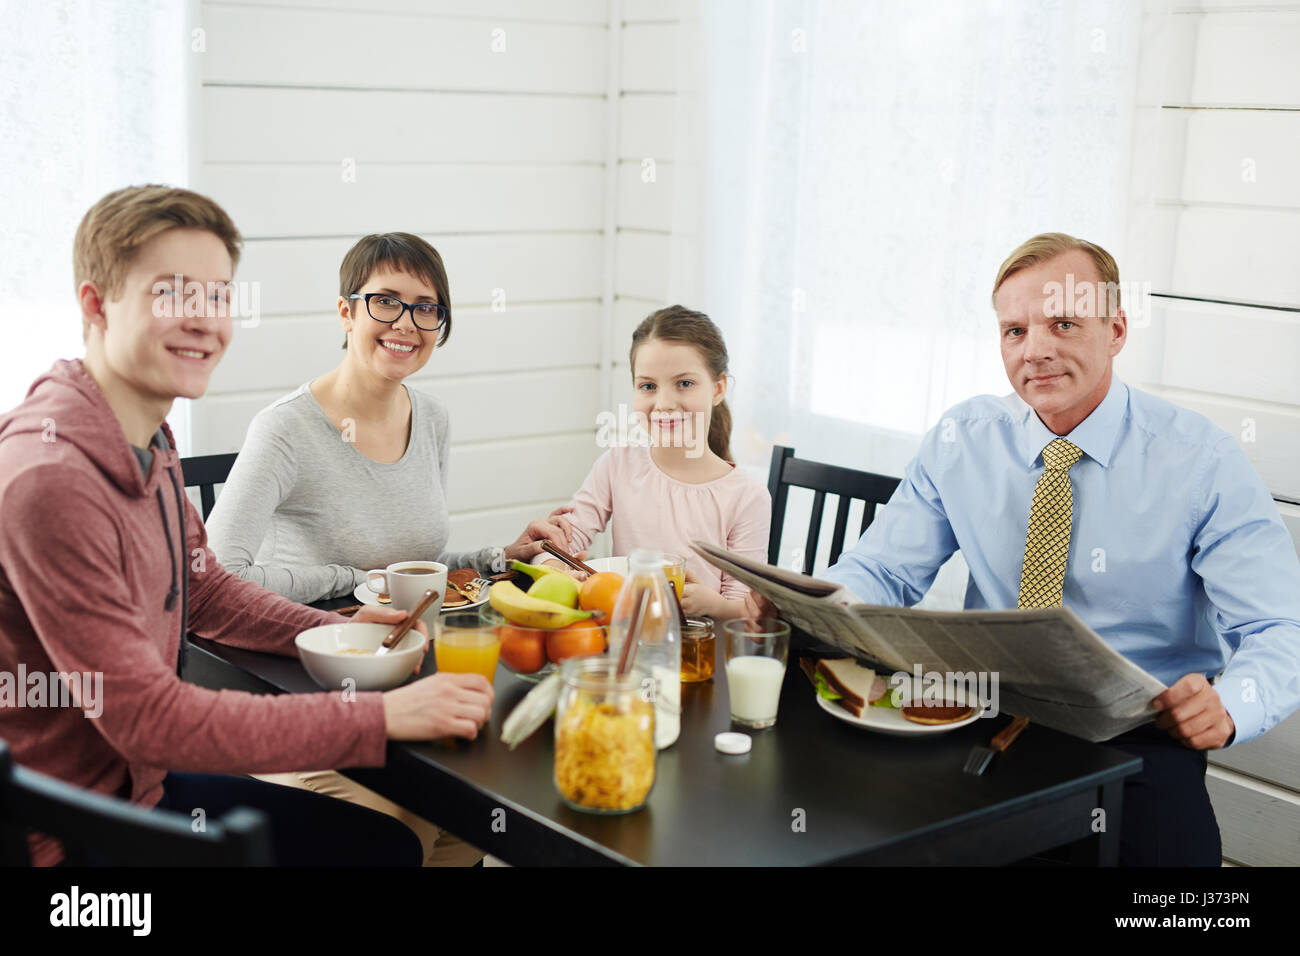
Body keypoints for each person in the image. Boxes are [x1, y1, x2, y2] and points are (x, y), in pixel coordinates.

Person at [750, 232, 1300, 866]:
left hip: (1138, 740)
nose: (1035, 351)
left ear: (1116, 330)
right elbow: (883, 571)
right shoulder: (964, 438)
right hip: (984, 713)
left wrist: (1230, 707)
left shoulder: (1202, 461)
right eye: (1014, 331)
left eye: (1063, 323)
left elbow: (1278, 627)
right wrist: (814, 606)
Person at [0, 186, 495, 866]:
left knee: (394, 841)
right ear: (95, 304)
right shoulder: (48, 476)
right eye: (173, 294)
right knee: (382, 852)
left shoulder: (148, 435)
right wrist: (377, 716)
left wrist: (345, 633)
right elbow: (147, 717)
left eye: (217, 296)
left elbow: (206, 592)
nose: (204, 320)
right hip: (76, 841)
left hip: (139, 790)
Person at [206, 231, 568, 605]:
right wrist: (349, 579)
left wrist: (503, 557)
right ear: (347, 313)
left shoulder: (431, 417)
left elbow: (413, 567)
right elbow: (217, 575)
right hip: (302, 645)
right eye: (385, 301)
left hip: (401, 636)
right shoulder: (285, 428)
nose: (406, 323)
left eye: (426, 307)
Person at [537, 305, 770, 620]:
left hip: (698, 654)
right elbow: (565, 539)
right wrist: (553, 565)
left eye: (684, 383)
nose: (664, 404)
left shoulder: (747, 496)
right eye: (648, 386)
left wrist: (713, 606)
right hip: (625, 642)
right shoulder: (617, 464)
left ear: (718, 389)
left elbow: (744, 611)